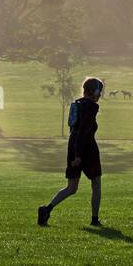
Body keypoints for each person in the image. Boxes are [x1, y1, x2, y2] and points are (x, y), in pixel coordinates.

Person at [38, 76, 105, 227]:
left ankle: (47, 209)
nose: (99, 94)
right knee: (96, 184)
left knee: (71, 187)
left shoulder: (77, 104)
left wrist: (74, 152)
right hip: (86, 148)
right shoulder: (92, 106)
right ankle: (95, 220)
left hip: (72, 145)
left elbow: (74, 130)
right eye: (99, 91)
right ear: (94, 91)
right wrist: (79, 155)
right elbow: (83, 131)